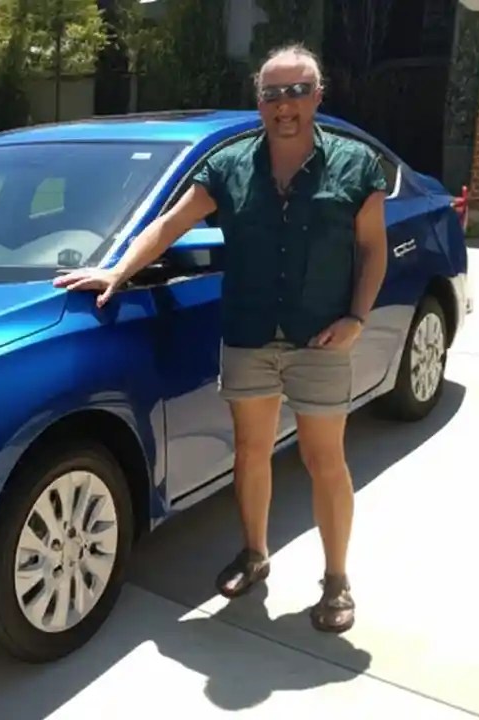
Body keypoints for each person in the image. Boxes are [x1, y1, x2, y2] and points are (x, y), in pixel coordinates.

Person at [53, 44, 388, 634]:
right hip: (249, 334)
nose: (284, 105)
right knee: (251, 452)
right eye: (271, 94)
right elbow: (167, 225)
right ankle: (255, 554)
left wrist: (358, 318)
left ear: (317, 95)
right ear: (258, 101)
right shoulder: (231, 166)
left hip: (323, 338)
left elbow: (371, 249)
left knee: (323, 460)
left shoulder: (355, 164)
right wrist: (116, 271)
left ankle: (336, 581)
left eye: (296, 92)